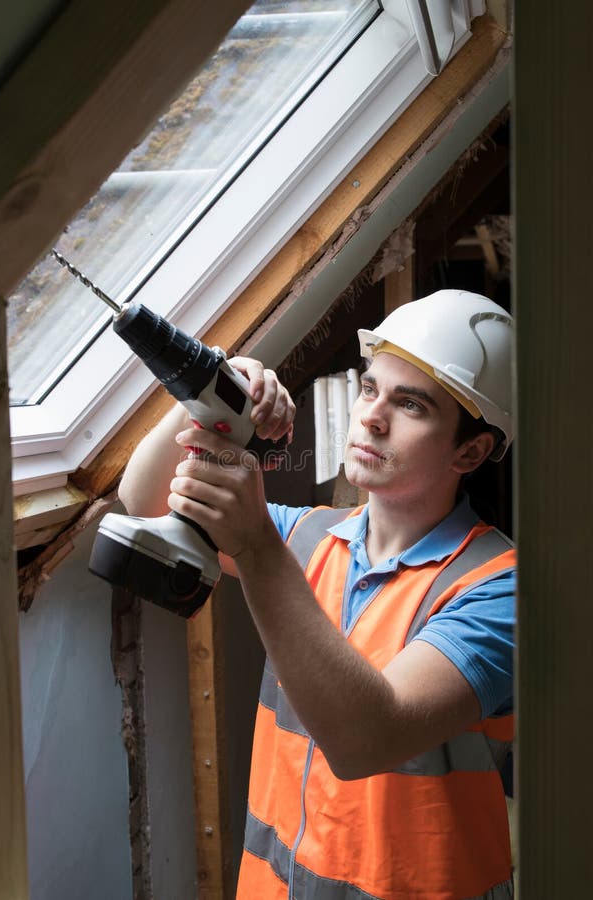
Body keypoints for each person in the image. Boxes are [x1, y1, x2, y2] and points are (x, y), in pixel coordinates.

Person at [119, 289, 516, 900]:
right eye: (369, 389)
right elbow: (143, 499)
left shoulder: (502, 587)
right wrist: (213, 393)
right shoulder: (306, 536)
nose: (373, 417)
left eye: (410, 404)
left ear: (472, 450)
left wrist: (254, 547)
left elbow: (367, 740)